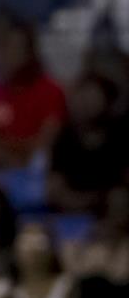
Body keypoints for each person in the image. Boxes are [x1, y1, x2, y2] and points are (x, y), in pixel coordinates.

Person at [0, 16, 67, 170]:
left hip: (41, 173)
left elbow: (46, 141)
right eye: (6, 47)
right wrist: (12, 155)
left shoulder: (51, 91)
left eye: (18, 48)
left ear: (31, 51)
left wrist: (8, 145)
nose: (11, 54)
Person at [48, 74, 129, 214]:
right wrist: (81, 202)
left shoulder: (120, 135)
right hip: (72, 205)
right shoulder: (64, 136)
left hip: (112, 207)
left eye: (93, 98)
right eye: (82, 97)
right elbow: (55, 184)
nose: (85, 104)